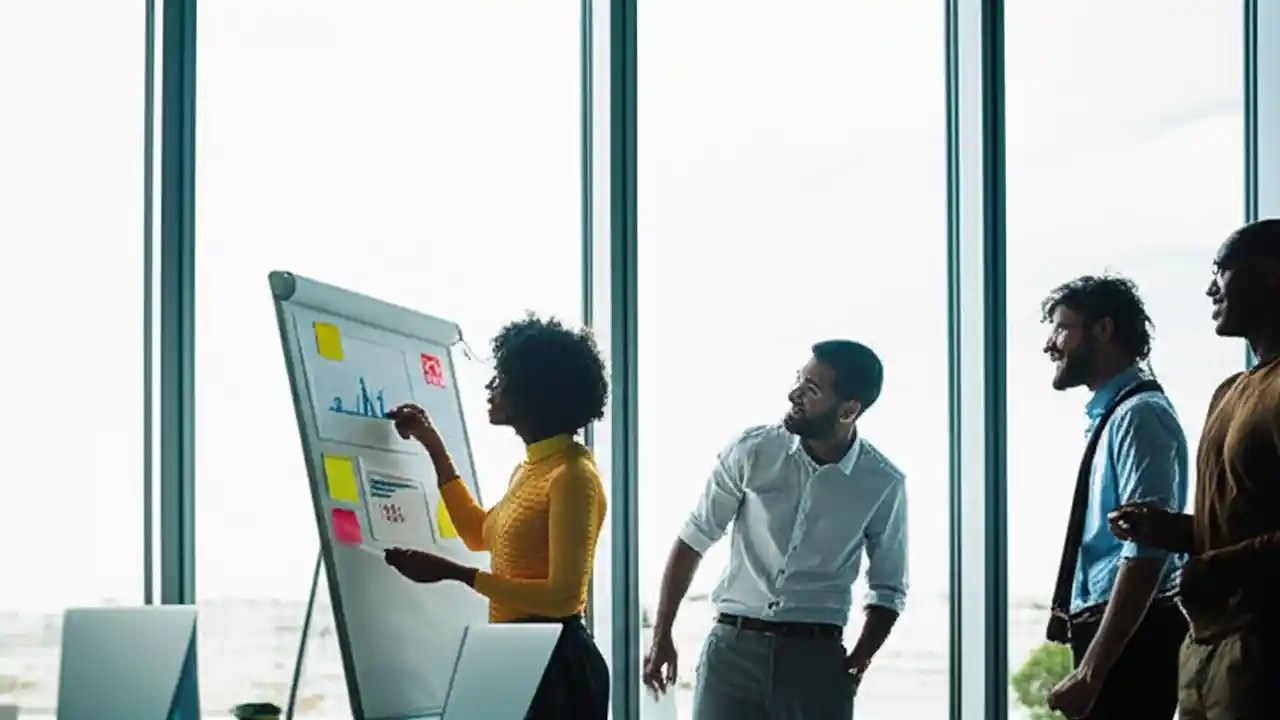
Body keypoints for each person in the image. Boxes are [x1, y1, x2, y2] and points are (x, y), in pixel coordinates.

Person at [641, 340, 908, 720]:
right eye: (799, 379)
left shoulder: (882, 483)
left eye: (811, 389)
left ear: (849, 409)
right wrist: (662, 634)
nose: (793, 394)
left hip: (816, 664)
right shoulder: (752, 451)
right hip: (731, 654)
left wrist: (856, 662)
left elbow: (889, 589)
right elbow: (694, 538)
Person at [382, 314, 610, 720]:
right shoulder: (531, 470)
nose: (492, 387)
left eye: (502, 378)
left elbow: (561, 597)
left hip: (556, 664)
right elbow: (476, 533)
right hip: (519, 653)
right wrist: (432, 444)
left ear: (534, 390)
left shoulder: (574, 477)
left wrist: (457, 574)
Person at [1111, 218, 1280, 719]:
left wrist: (1216, 566)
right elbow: (1237, 525)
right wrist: (1174, 531)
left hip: (1266, 646)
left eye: (1221, 271)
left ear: (1271, 274)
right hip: (1204, 643)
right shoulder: (1228, 391)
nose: (1210, 287)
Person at [1036, 275, 1189, 720]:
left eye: (1062, 328)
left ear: (1102, 330)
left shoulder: (1139, 417)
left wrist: (1091, 672)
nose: (1051, 344)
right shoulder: (1116, 415)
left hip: (1133, 642)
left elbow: (1147, 550)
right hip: (1117, 636)